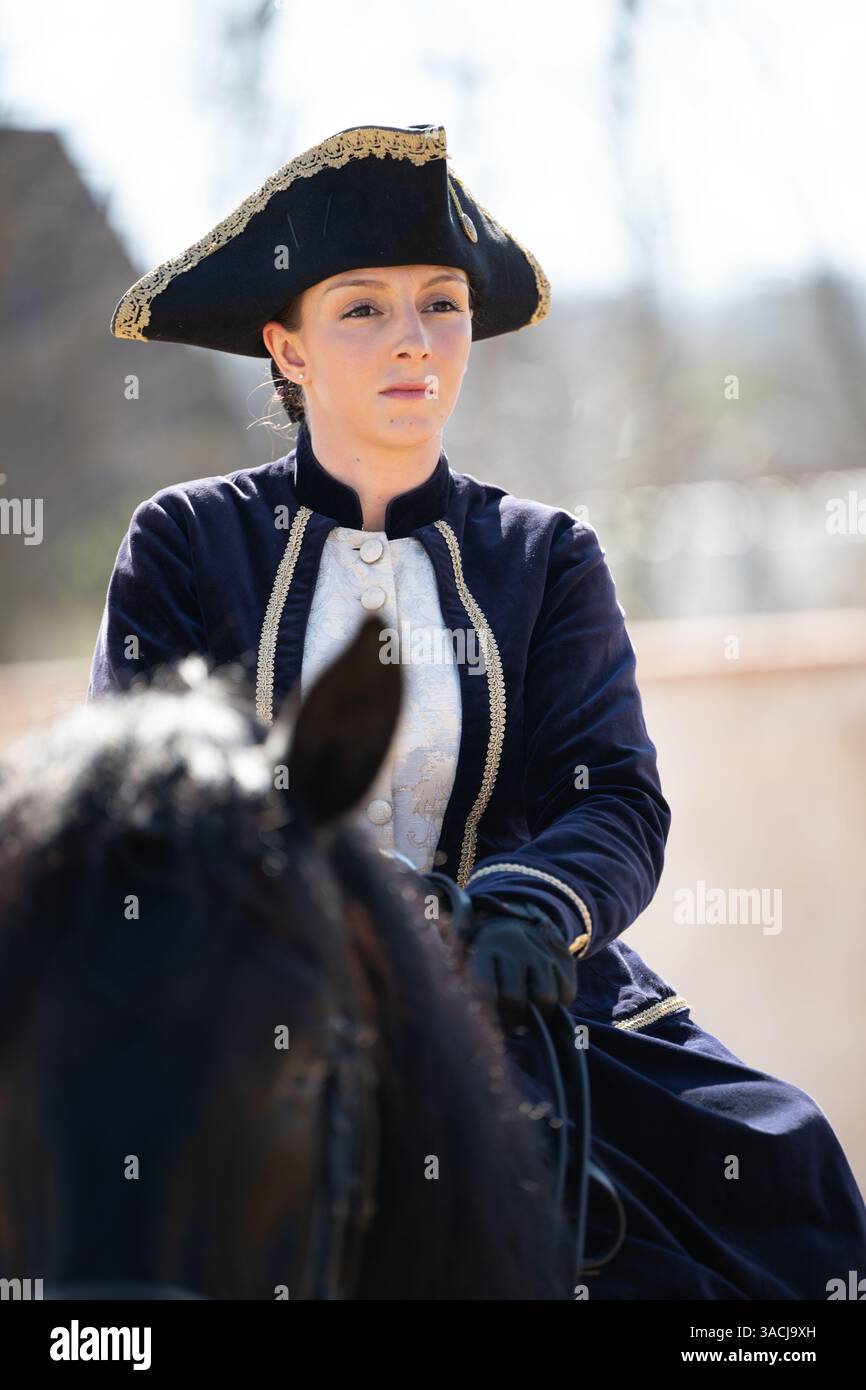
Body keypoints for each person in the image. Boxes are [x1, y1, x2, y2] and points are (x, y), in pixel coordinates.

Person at [89, 121, 866, 1298]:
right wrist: (372, 916)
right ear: (283, 348)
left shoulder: (546, 555)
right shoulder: (186, 539)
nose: (414, 341)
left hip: (521, 991)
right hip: (257, 998)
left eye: (440, 303)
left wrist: (524, 910)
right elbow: (150, 799)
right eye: (361, 309)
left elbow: (612, 796)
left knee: (778, 1167)